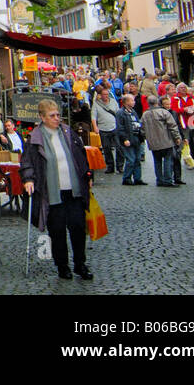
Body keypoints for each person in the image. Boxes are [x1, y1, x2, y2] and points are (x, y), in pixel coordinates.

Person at [22, 98, 93, 280]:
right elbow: (27, 161)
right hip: (52, 192)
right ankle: (62, 266)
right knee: (58, 230)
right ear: (42, 117)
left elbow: (80, 156)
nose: (56, 119)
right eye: (52, 116)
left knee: (78, 227)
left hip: (73, 189)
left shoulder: (68, 132)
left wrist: (87, 175)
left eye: (58, 115)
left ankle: (80, 264)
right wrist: (28, 179)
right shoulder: (35, 138)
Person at [142, 95, 183, 187]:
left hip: (153, 142)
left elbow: (143, 129)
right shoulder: (164, 112)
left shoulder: (145, 114)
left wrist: (147, 138)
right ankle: (168, 180)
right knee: (168, 160)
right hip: (166, 141)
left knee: (157, 161)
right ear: (157, 103)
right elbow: (173, 126)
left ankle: (159, 180)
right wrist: (177, 137)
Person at [115, 94, 145, 184]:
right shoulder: (121, 113)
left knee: (137, 159)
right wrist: (124, 139)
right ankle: (127, 178)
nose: (134, 102)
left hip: (136, 137)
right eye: (132, 100)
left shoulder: (133, 111)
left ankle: (137, 178)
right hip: (128, 138)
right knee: (131, 159)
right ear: (126, 102)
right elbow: (120, 127)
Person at [91, 84, 120, 173]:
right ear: (100, 95)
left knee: (119, 147)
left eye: (107, 94)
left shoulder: (113, 102)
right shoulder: (96, 104)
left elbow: (118, 113)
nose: (106, 96)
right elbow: (93, 116)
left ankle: (120, 166)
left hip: (114, 127)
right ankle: (110, 166)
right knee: (106, 148)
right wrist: (95, 127)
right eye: (104, 94)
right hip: (103, 128)